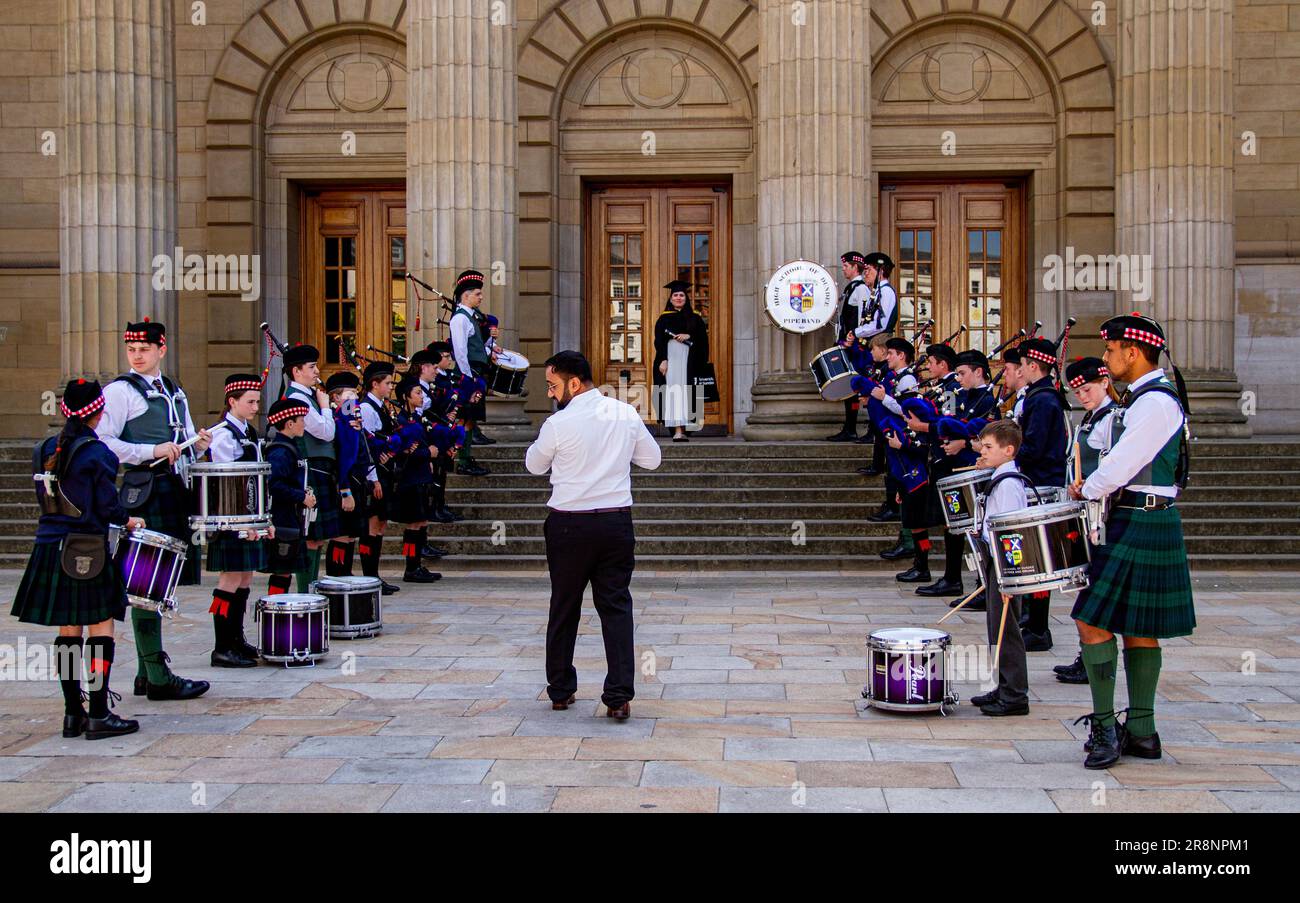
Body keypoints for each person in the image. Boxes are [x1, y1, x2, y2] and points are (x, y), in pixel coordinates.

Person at [1068, 314, 1194, 769]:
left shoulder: (1154, 403)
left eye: (1110, 351)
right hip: (1143, 517)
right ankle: (1142, 733)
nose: (1106, 359)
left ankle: (1106, 730)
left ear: (1133, 352)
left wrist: (1088, 487)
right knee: (1139, 630)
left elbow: (1121, 465)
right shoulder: (1146, 399)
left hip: (1139, 518)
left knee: (1091, 621)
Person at [525, 351, 662, 720]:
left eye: (553, 386)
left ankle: (560, 689)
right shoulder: (625, 412)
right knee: (615, 606)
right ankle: (618, 696)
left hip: (569, 524)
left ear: (573, 382)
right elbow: (652, 459)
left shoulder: (559, 423)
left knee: (564, 605)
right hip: (615, 523)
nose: (551, 394)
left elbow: (534, 465)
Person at [12, 379, 145, 739]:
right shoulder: (99, 453)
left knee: (68, 632)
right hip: (86, 548)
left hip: (49, 546)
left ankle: (74, 714)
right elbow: (107, 507)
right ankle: (100, 712)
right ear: (98, 413)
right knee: (101, 627)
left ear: (63, 410)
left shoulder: (43, 448)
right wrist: (128, 519)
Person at [97, 319, 210, 702]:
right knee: (146, 585)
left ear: (161, 350)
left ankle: (147, 673)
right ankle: (158, 676)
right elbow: (104, 443)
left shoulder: (175, 391)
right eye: (132, 350)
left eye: (145, 349)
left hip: (172, 488)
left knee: (160, 583)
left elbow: (186, 439)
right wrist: (151, 451)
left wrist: (197, 443)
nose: (138, 355)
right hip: (141, 489)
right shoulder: (118, 391)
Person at [1052, 357, 1120, 686]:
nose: (1082, 395)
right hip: (1085, 516)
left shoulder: (1114, 421)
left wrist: (1087, 488)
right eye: (1077, 391)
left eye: (1087, 388)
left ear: (1105, 382)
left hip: (1103, 518)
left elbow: (1117, 470)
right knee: (1088, 592)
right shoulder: (1089, 420)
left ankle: (1092, 662)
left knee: (1092, 599)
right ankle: (1087, 657)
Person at [967, 420, 1033, 717]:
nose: (984, 450)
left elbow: (1010, 532)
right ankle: (1003, 686)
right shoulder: (999, 477)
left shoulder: (1008, 484)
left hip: (1006, 565)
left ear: (1009, 451)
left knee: (1007, 630)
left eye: (989, 447)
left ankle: (1015, 694)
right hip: (997, 563)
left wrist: (1008, 575)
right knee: (997, 627)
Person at [204, 373, 267, 668]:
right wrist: (243, 521)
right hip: (230, 516)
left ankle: (237, 640)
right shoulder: (222, 434)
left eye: (257, 401)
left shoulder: (248, 432)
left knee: (244, 577)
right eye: (250, 401)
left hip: (248, 515)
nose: (256, 406)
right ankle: (221, 646)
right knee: (229, 579)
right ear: (232, 401)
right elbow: (227, 481)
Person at [1013, 336, 1070, 652]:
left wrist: (1006, 454)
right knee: (1034, 560)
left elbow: (1033, 448)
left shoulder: (1043, 400)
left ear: (1033, 365)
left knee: (1037, 561)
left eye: (1022, 365)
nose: (1019, 370)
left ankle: (1039, 627)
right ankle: (1033, 621)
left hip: (1041, 484)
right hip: (1038, 482)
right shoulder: (1042, 396)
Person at [279, 344, 339, 593]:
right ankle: (306, 592)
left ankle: (311, 587)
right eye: (312, 367)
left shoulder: (307, 395)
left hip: (320, 467)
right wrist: (325, 405)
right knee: (311, 536)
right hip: (310, 468)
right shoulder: (297, 398)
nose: (317, 371)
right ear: (296, 371)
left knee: (317, 537)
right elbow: (326, 432)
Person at [323, 370, 377, 578]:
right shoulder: (341, 418)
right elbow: (345, 455)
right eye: (350, 393)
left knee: (351, 534)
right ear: (336, 398)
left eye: (356, 392)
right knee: (342, 535)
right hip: (347, 481)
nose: (355, 397)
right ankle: (338, 575)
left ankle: (344, 573)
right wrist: (345, 490)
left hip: (358, 480)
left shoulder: (352, 417)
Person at [261, 399, 316, 597]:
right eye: (301, 419)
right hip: (282, 517)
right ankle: (274, 608)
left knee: (285, 571)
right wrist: (301, 497)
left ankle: (277, 607)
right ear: (289, 423)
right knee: (281, 570)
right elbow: (275, 485)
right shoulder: (280, 451)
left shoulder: (290, 447)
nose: (304, 423)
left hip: (290, 516)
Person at [391, 377, 442, 583]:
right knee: (412, 525)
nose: (421, 396)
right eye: (417, 393)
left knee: (421, 522)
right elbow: (404, 453)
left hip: (421, 475)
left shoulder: (416, 419)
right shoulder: (401, 421)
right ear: (406, 397)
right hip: (410, 478)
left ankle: (417, 563)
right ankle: (410, 566)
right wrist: (426, 453)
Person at [357, 361, 401, 594]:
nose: (391, 387)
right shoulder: (366, 408)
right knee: (372, 526)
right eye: (387, 383)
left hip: (384, 471)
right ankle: (369, 577)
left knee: (380, 524)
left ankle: (375, 575)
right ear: (375, 384)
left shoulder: (381, 406)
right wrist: (373, 478)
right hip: (374, 474)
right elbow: (367, 444)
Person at [652, 279, 710, 441]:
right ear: (670, 299)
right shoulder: (664, 319)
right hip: (671, 360)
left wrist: (689, 335)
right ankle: (678, 430)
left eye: (681, 295)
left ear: (686, 298)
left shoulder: (695, 319)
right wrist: (663, 360)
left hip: (689, 360)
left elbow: (703, 340)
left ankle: (685, 428)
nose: (678, 298)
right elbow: (658, 341)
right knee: (673, 391)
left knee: (687, 391)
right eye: (675, 295)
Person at [448, 268, 491, 476]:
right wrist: (468, 379)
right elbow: (460, 352)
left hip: (475, 373)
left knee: (471, 419)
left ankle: (467, 458)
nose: (481, 297)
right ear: (466, 295)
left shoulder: (471, 317)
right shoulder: (460, 319)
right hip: (468, 375)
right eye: (477, 294)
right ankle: (463, 461)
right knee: (464, 419)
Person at [827, 251, 871, 442]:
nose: (843, 269)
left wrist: (854, 340)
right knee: (850, 388)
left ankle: (862, 428)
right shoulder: (851, 288)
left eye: (846, 266)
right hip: (848, 344)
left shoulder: (861, 289)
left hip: (856, 347)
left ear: (855, 267)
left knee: (859, 388)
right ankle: (850, 427)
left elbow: (863, 318)